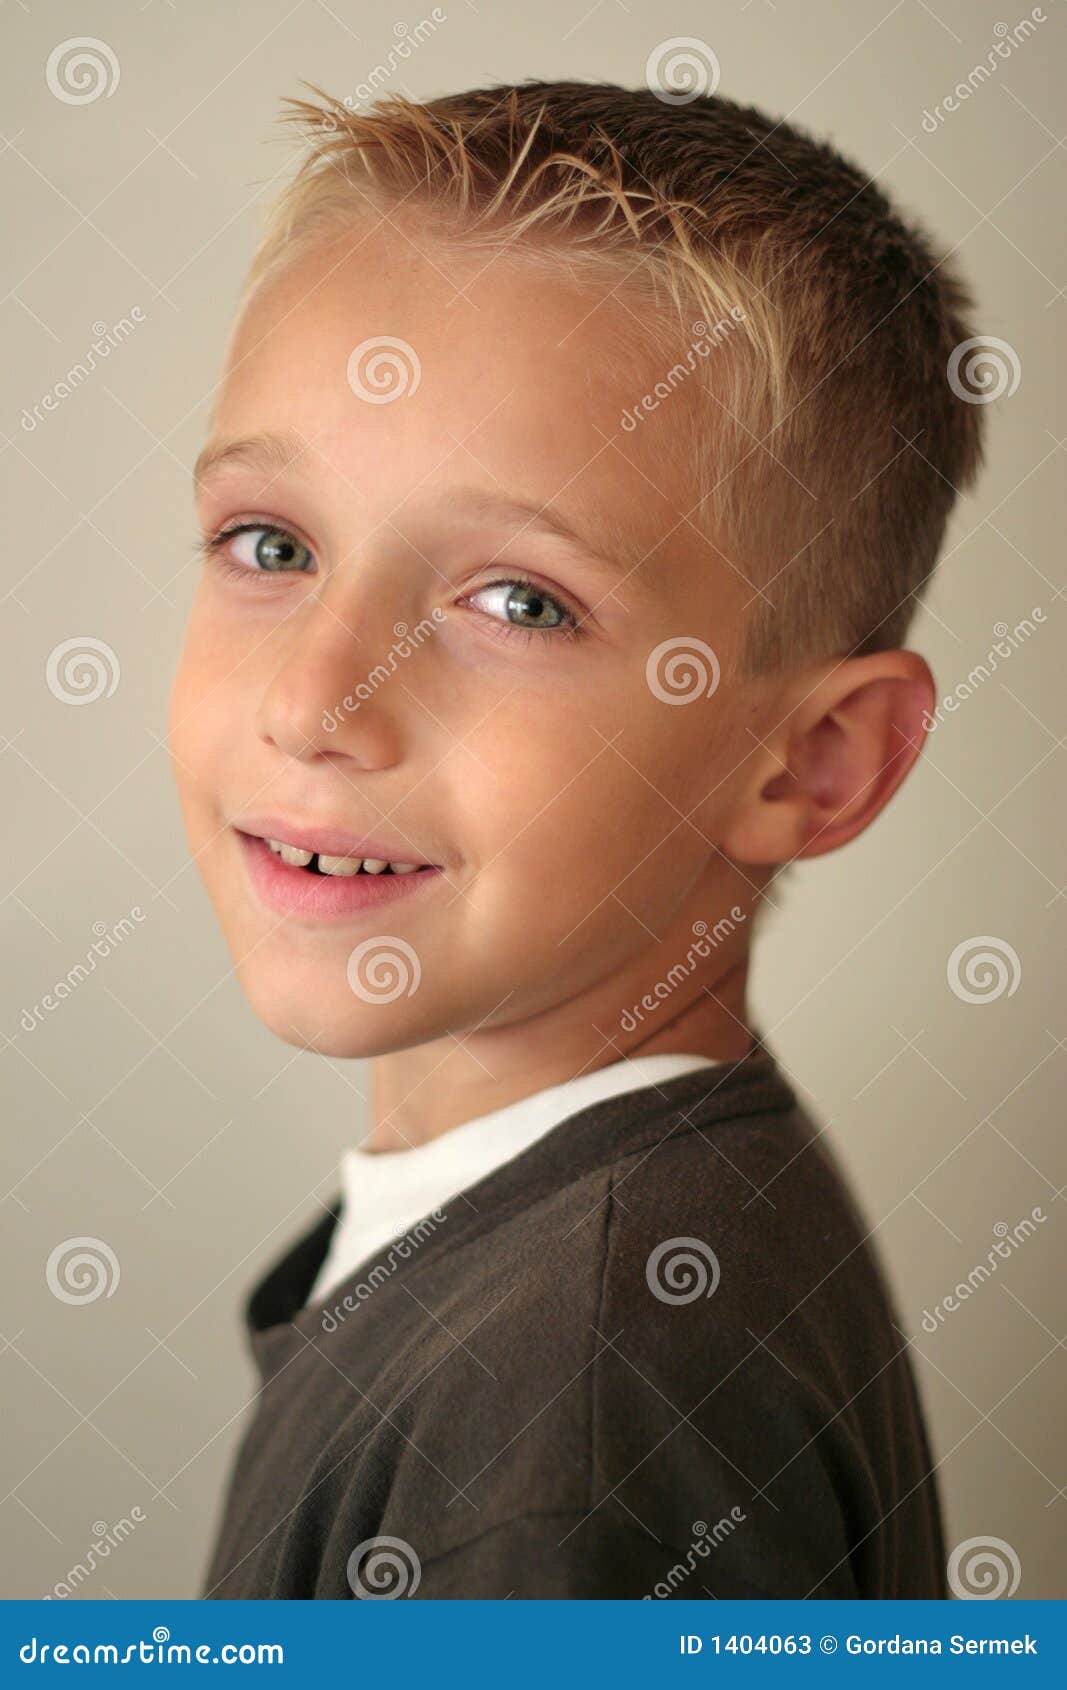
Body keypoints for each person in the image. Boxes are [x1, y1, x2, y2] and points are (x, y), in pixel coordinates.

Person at [169, 78, 986, 1599]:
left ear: (812, 763)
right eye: (272, 544)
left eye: (520, 601)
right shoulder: (599, 1264)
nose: (314, 699)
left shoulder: (581, 1429)